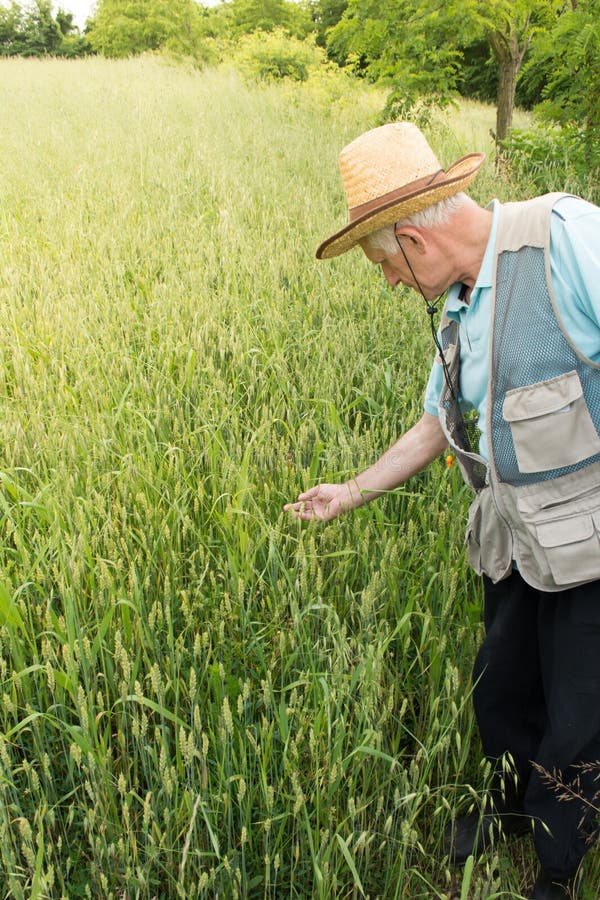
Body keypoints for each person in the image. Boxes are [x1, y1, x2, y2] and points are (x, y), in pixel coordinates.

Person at [284, 122, 600, 900]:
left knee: (579, 716)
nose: (390, 282)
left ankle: (556, 872)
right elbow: (437, 424)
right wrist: (351, 490)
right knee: (501, 687)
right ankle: (509, 809)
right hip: (514, 541)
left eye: (385, 264)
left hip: (593, 548)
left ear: (416, 240)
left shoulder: (567, 240)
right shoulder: (460, 305)